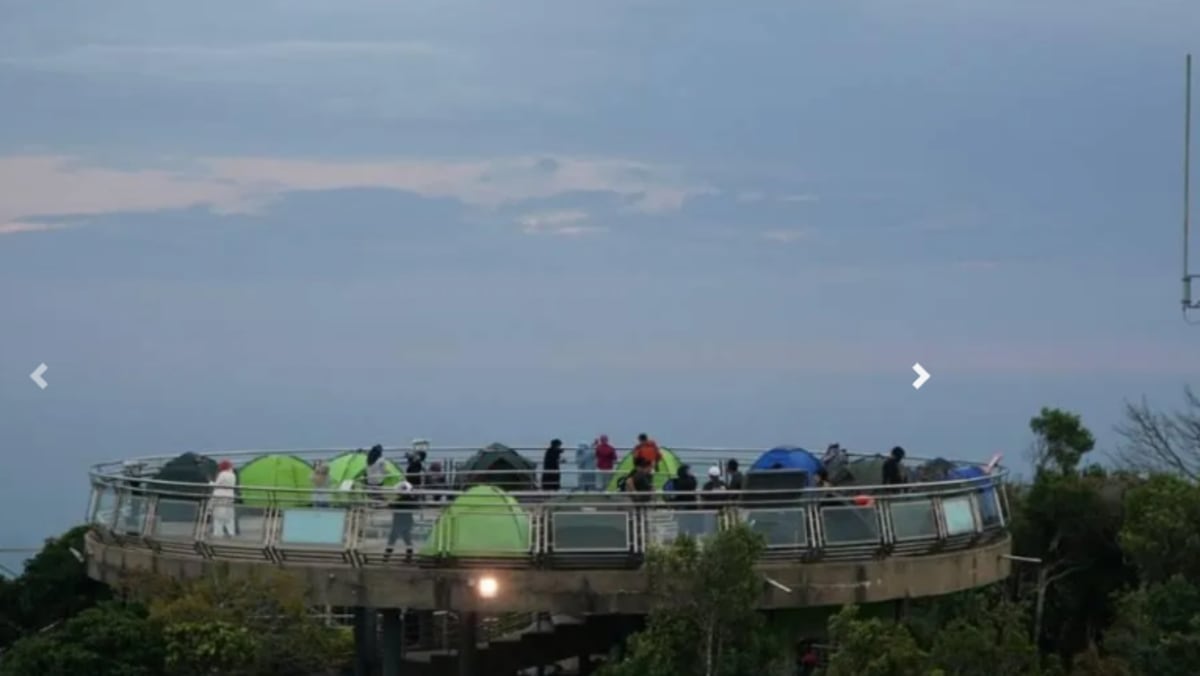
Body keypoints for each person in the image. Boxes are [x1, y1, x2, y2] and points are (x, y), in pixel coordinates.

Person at [383, 481, 417, 562]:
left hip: (399, 521)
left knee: (393, 538)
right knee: (407, 538)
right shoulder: (411, 499)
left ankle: (386, 556)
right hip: (407, 521)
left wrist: (388, 504)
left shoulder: (400, 500)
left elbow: (393, 506)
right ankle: (409, 555)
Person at [210, 459, 238, 537]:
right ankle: (231, 532)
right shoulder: (233, 475)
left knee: (218, 515)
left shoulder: (222, 474)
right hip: (229, 496)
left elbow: (217, 484)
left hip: (220, 496)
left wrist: (210, 483)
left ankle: (218, 533)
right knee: (229, 515)